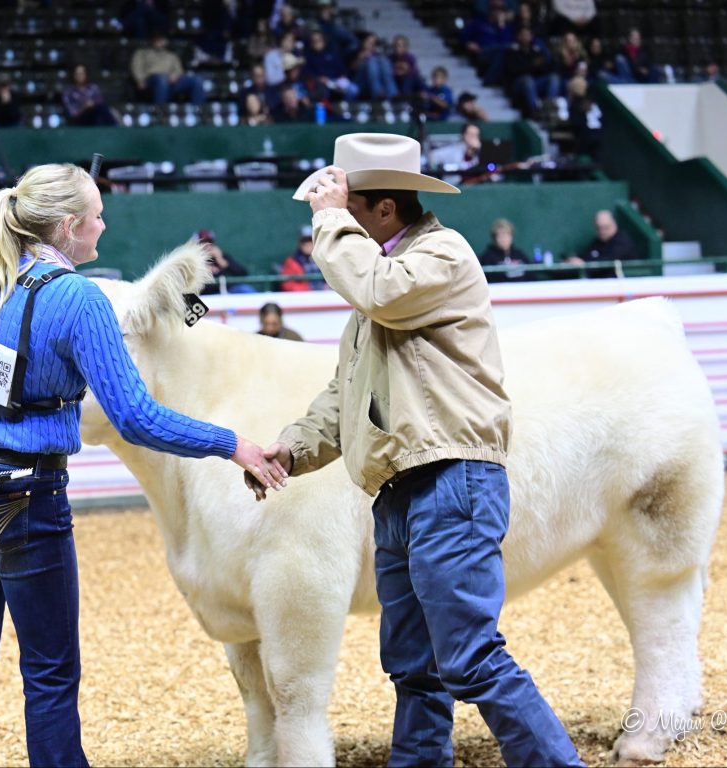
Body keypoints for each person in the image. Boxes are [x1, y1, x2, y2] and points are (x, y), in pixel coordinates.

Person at [0, 163, 286, 768]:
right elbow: (135, 417)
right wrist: (231, 442)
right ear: (66, 227)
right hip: (23, 495)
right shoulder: (78, 300)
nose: (104, 225)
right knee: (51, 672)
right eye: (97, 215)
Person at [246, 133, 584, 767]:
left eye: (349, 209)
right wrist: (292, 449)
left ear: (383, 210)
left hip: (450, 480)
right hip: (404, 490)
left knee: (469, 657)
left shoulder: (439, 257)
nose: (333, 224)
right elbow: (343, 395)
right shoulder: (380, 292)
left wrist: (327, 221)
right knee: (415, 667)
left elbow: (376, 290)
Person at [130, 32, 205, 107]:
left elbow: (178, 69)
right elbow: (136, 67)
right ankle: (160, 111)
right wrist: (140, 80)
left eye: (162, 40)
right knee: (161, 79)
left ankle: (198, 110)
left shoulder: (172, 56)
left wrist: (174, 76)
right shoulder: (142, 53)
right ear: (153, 41)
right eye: (157, 40)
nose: (160, 42)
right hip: (151, 80)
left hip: (170, 81)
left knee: (196, 79)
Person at [567, 209, 638, 277]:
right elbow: (585, 256)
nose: (602, 231)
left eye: (606, 227)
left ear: (614, 224)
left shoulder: (622, 241)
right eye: (599, 228)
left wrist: (584, 264)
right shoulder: (598, 242)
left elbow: (606, 262)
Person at [197, 229, 255, 294]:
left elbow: (243, 272)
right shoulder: (196, 261)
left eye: (210, 242)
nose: (207, 245)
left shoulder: (222, 256)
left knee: (246, 289)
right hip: (210, 293)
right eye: (203, 243)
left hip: (231, 290)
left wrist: (221, 260)